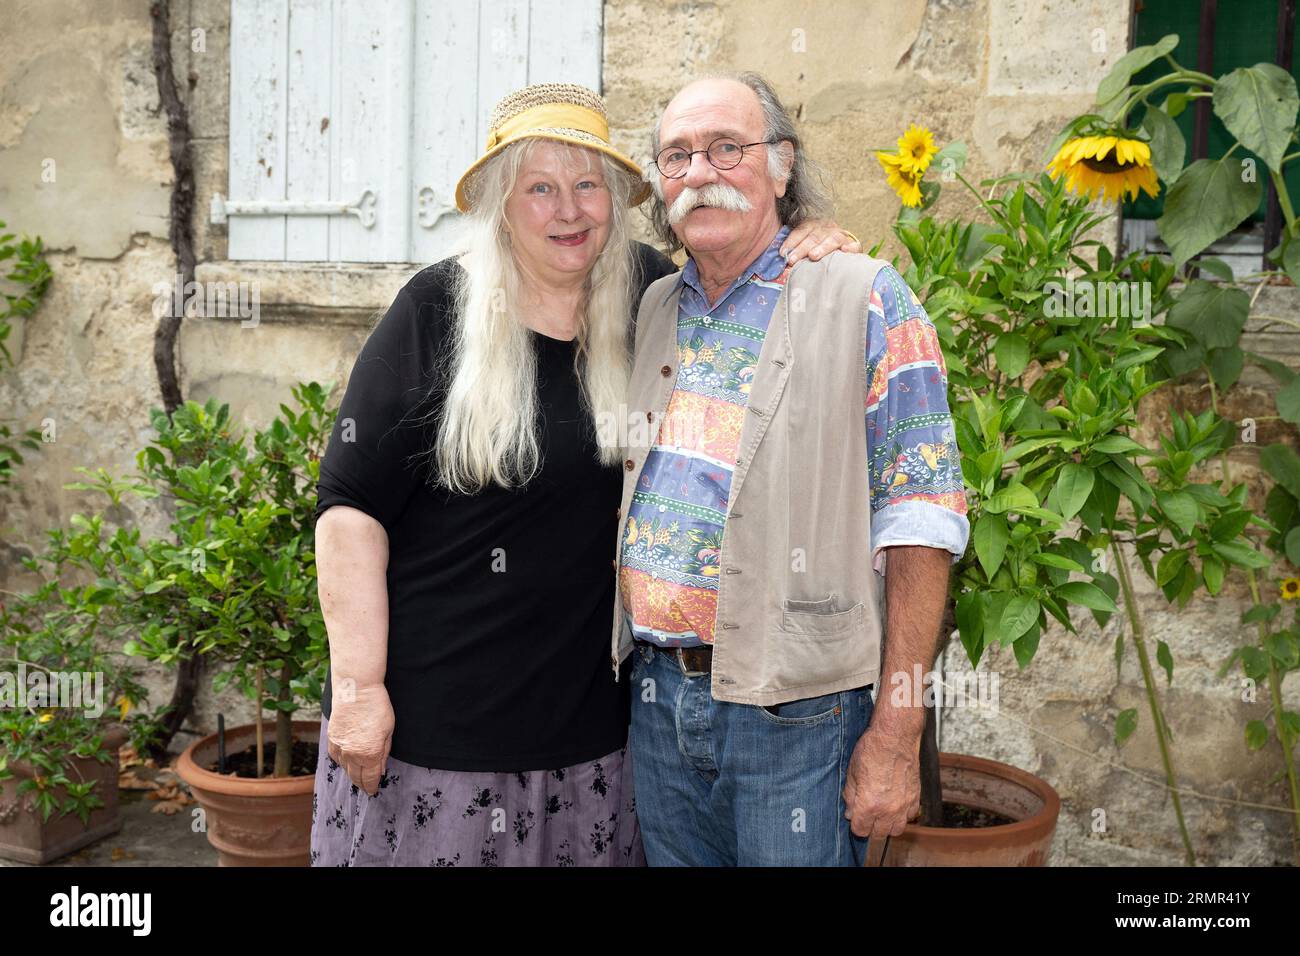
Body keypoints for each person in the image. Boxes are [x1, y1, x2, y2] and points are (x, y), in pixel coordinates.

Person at [309, 82, 858, 866]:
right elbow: (350, 508)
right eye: (539, 188)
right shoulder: (436, 309)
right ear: (501, 206)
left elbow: (748, 277)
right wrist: (360, 689)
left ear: (616, 201)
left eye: (587, 185)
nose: (568, 210)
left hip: (596, 741)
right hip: (435, 733)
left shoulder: (651, 298)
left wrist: (812, 241)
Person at [612, 72, 971, 866]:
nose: (699, 171)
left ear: (781, 166)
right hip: (654, 702)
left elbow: (922, 519)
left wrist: (897, 731)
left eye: (726, 148)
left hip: (799, 719)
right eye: (676, 156)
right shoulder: (650, 308)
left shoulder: (866, 297)